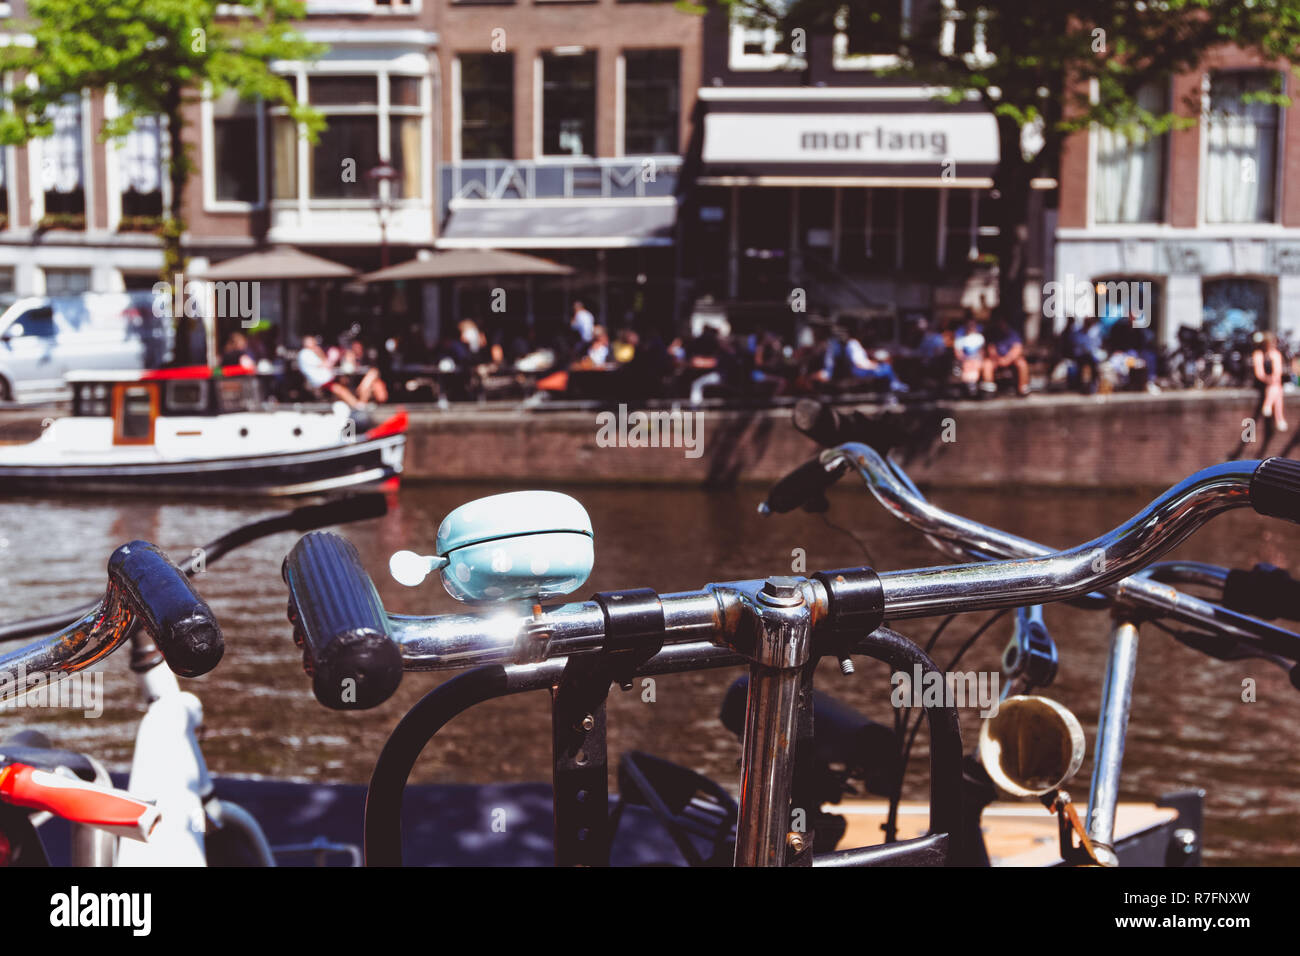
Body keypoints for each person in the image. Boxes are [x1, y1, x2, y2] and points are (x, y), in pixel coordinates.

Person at [297, 334, 365, 409]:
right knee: (340, 389)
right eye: (313, 342)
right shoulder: (305, 353)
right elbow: (325, 364)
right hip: (319, 381)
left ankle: (350, 405)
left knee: (343, 382)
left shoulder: (309, 353)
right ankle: (357, 406)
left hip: (323, 378)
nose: (315, 343)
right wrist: (322, 352)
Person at [981, 316, 1030, 396]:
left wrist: (1007, 359)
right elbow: (991, 348)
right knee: (987, 364)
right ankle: (989, 389)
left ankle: (1023, 388)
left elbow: (1017, 348)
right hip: (996, 359)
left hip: (1011, 359)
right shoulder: (992, 334)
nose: (1001, 324)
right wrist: (998, 359)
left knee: (1022, 364)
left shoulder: (1013, 334)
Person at [1252, 331, 1289, 431]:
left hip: (1273, 383)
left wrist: (1273, 379)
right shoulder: (1258, 354)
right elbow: (1259, 373)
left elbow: (1277, 372)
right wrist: (1267, 379)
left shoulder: (1276, 354)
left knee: (1277, 388)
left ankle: (1268, 405)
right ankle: (1279, 419)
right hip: (1261, 383)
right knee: (1278, 389)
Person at [953, 315, 986, 395]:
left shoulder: (979, 338)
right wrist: (966, 359)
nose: (971, 327)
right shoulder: (960, 339)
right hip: (965, 360)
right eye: (969, 325)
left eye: (972, 325)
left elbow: (982, 352)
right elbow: (958, 353)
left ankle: (972, 386)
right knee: (967, 365)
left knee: (975, 365)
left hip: (976, 359)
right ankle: (969, 387)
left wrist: (976, 359)